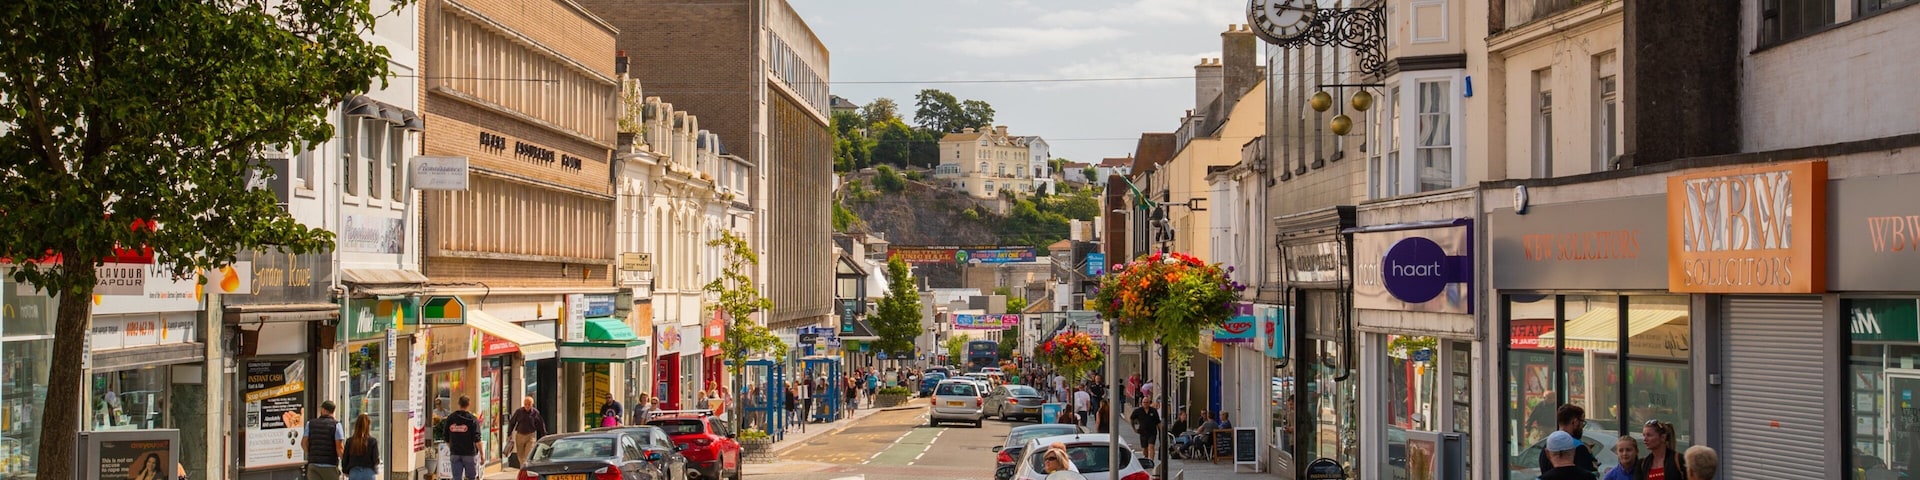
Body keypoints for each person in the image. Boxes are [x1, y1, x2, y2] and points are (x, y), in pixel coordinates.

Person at [1537, 404, 1600, 474]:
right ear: (1575, 422)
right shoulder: (1579, 447)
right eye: (1582, 422)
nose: (1582, 426)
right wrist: (1594, 466)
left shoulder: (1547, 446)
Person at [301, 400, 345, 480]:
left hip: (313, 465)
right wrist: (345, 463)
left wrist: (310, 453)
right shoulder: (337, 425)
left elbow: (304, 443)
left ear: (323, 410)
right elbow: (339, 448)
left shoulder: (310, 423)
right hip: (330, 465)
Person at [445, 396, 484, 480]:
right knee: (471, 477)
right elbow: (477, 439)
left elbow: (446, 437)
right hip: (469, 453)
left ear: (459, 404)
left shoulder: (451, 418)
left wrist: (452, 447)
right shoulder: (473, 420)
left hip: (455, 453)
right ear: (469, 404)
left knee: (456, 478)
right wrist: (482, 454)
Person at [508, 396, 548, 469]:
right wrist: (509, 433)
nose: (527, 406)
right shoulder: (519, 412)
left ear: (532, 404)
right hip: (520, 435)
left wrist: (544, 435)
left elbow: (541, 424)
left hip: (530, 436)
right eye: (525, 404)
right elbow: (512, 423)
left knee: (528, 454)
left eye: (529, 404)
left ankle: (526, 469)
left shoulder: (535, 413)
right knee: (520, 455)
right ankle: (522, 468)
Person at [341, 414, 380, 480]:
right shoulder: (373, 441)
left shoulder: (349, 441)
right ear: (368, 426)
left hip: (354, 473)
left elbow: (345, 460)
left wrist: (345, 471)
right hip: (369, 473)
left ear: (356, 426)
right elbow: (375, 460)